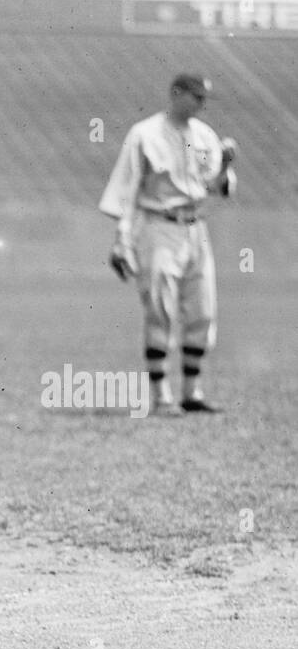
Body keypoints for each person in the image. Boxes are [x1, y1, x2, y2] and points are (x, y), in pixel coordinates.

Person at [100, 73, 237, 413]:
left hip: (195, 229)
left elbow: (215, 186)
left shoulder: (204, 136)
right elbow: (127, 189)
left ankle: (192, 393)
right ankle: (161, 396)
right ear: (176, 93)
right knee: (160, 309)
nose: (201, 104)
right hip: (159, 227)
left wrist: (225, 166)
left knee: (203, 310)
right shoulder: (145, 134)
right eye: (196, 97)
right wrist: (122, 240)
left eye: (204, 98)